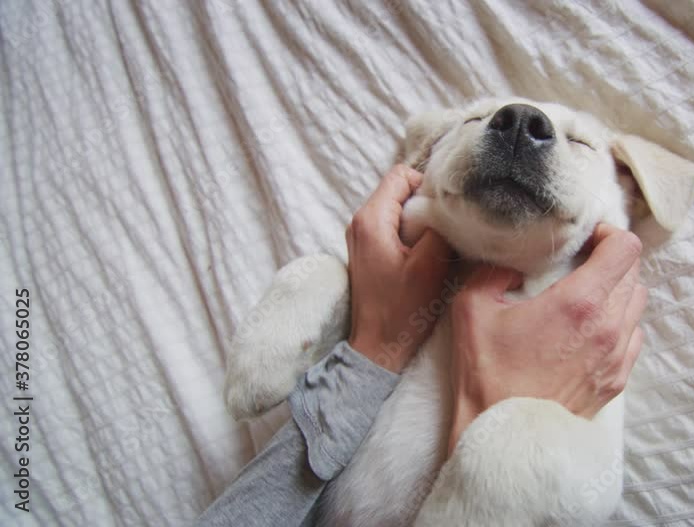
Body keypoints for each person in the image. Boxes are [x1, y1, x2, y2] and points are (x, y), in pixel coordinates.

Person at [196, 166, 647, 526]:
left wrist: (371, 351)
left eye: (580, 143)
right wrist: (339, 305)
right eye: (476, 121)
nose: (519, 130)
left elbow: (594, 490)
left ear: (621, 187)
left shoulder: (594, 345)